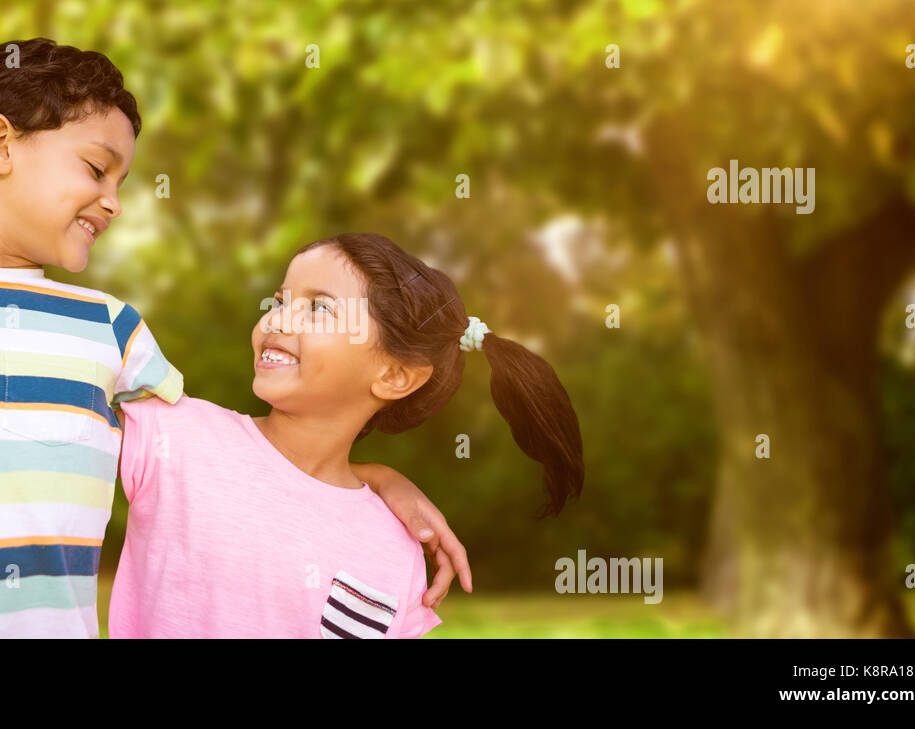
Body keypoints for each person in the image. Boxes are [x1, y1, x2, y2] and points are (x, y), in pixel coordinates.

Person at [0, 39, 465, 638]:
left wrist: (376, 479)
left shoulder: (112, 336)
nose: (115, 201)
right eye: (96, 168)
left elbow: (246, 456)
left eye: (121, 179)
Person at [107, 233, 584, 637]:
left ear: (395, 376)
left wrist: (374, 480)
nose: (277, 319)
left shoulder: (396, 550)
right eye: (280, 300)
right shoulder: (174, 433)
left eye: (318, 308)